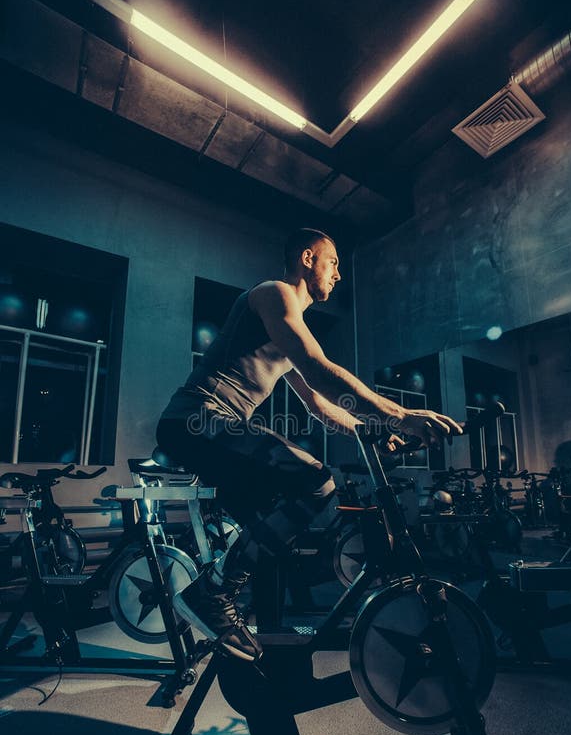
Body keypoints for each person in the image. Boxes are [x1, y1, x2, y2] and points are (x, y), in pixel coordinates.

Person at [157, 228, 461, 662]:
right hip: (196, 418)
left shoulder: (288, 328)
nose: (338, 274)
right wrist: (399, 414)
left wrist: (366, 429)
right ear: (307, 257)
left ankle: (260, 642)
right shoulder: (274, 294)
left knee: (270, 536)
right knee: (317, 481)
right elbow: (319, 369)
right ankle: (211, 592)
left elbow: (318, 404)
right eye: (332, 262)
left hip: (211, 427)